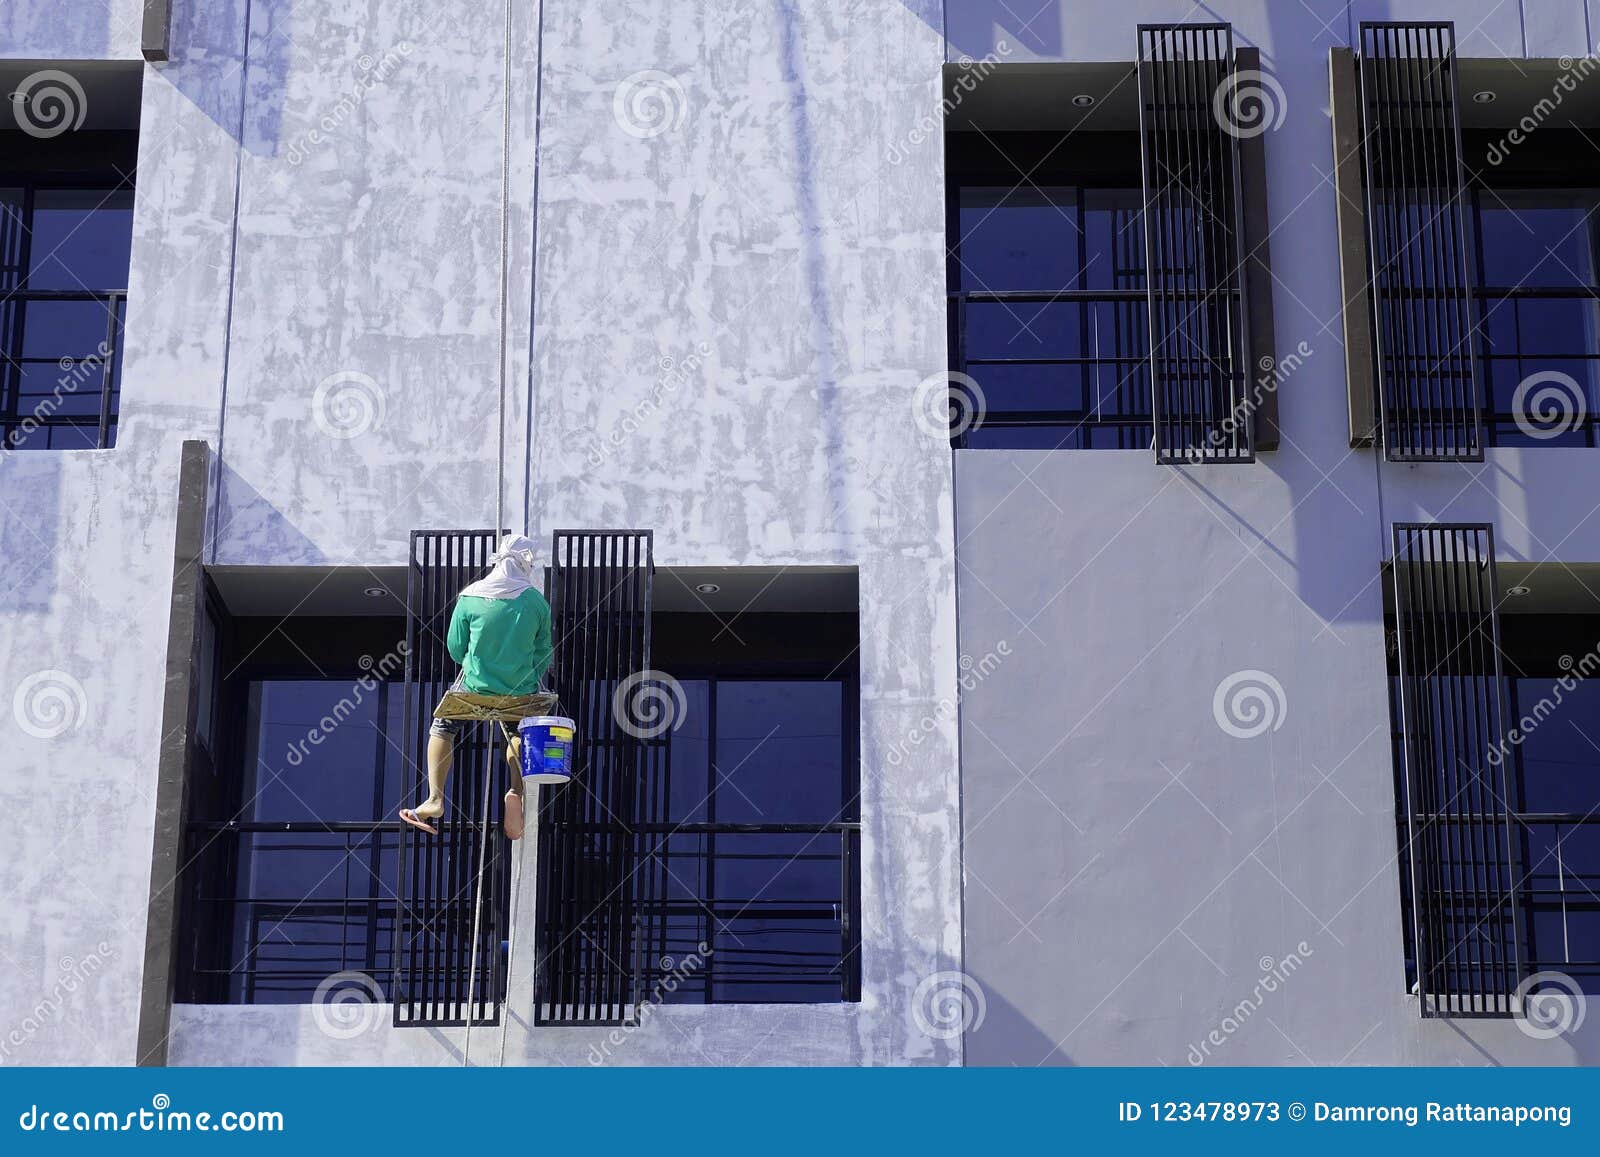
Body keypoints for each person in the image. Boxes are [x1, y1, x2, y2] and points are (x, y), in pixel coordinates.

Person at [399, 534, 554, 840]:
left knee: (442, 728)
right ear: (525, 563)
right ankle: (516, 791)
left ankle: (435, 798)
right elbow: (544, 652)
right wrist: (521, 674)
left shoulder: (470, 597)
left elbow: (456, 649)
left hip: (473, 686)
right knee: (516, 734)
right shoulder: (536, 602)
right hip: (519, 689)